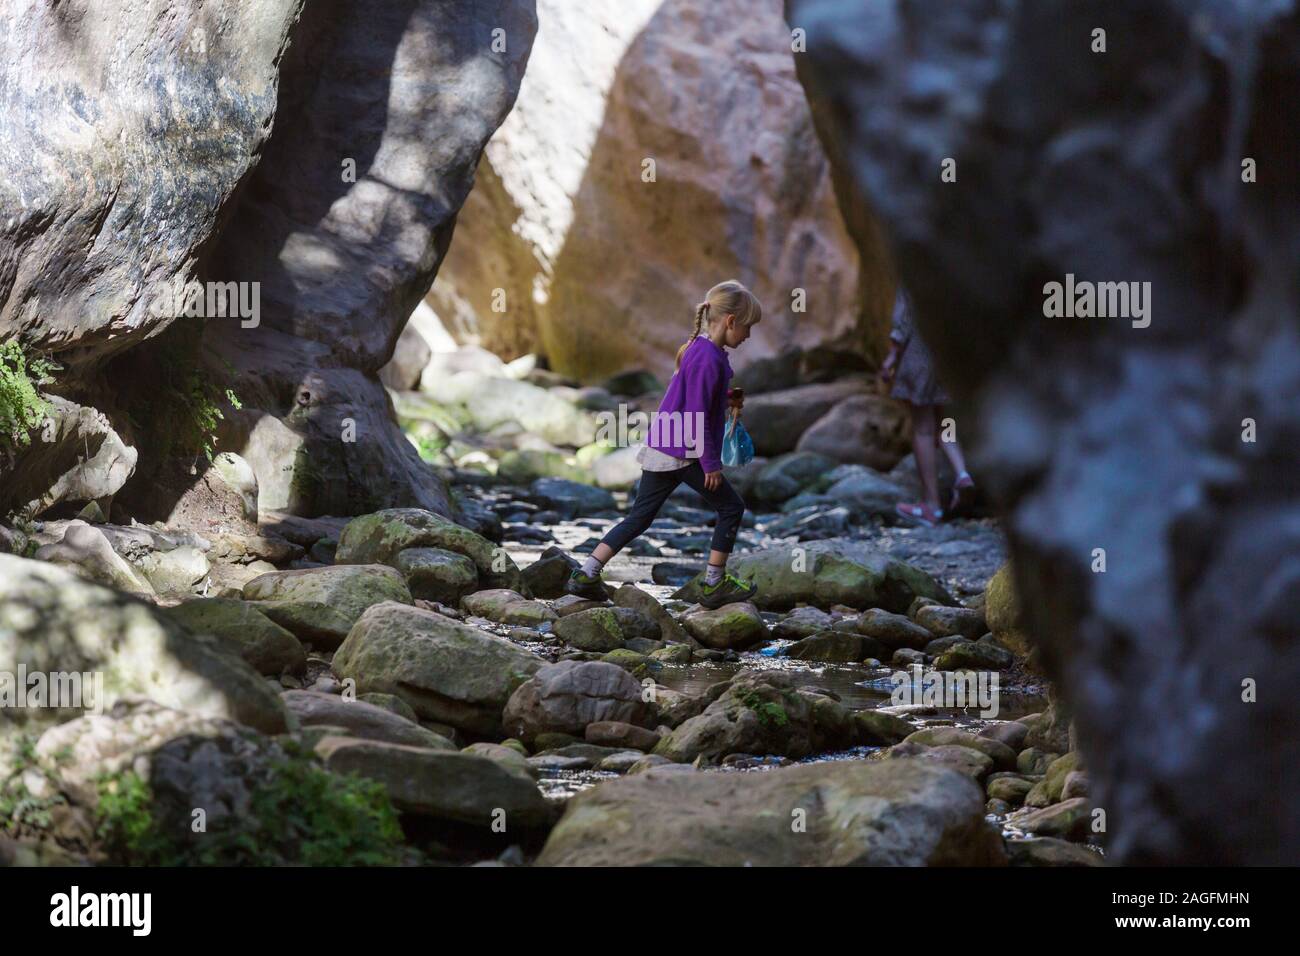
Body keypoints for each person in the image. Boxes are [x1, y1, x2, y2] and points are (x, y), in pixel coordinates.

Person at [567, 280, 762, 608]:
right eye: (747, 327)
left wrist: (726, 398)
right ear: (730, 321)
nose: (748, 336)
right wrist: (710, 463)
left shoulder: (699, 349)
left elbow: (694, 396)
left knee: (639, 517)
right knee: (731, 507)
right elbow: (697, 414)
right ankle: (714, 583)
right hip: (683, 452)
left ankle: (586, 573)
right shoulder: (708, 358)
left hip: (664, 446)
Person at [879, 285, 975, 527]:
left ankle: (931, 506)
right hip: (951, 347)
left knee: (922, 427)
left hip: (921, 349)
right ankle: (962, 473)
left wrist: (892, 355)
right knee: (944, 420)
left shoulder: (918, 250)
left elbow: (906, 310)